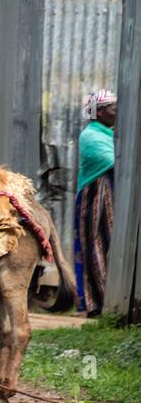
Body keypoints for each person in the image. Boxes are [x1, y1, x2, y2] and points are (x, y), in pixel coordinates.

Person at [74, 89, 117, 317]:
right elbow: (113, 161)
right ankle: (96, 304)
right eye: (113, 107)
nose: (117, 111)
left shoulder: (109, 133)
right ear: (99, 112)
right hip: (96, 197)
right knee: (97, 246)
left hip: (110, 193)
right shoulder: (91, 135)